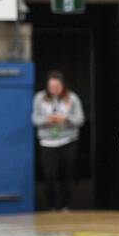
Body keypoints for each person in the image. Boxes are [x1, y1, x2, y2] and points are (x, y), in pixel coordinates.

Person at [32, 71, 84, 212]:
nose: (54, 89)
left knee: (66, 175)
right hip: (47, 142)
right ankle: (51, 205)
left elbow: (80, 119)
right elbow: (35, 119)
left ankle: (65, 205)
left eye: (57, 86)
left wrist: (66, 119)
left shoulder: (72, 98)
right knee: (50, 175)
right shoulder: (40, 98)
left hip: (67, 140)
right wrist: (47, 120)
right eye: (51, 86)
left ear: (62, 85)